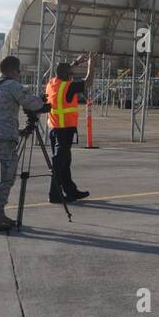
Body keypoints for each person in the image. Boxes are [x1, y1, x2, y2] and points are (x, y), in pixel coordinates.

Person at [0, 55, 46, 233]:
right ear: (14, 71)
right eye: (19, 71)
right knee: (3, 178)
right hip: (2, 138)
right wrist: (43, 104)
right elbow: (31, 102)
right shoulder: (12, 85)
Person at [44, 53, 94, 204]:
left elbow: (64, 70)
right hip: (64, 130)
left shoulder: (53, 82)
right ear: (67, 76)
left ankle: (70, 190)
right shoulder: (68, 87)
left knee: (64, 161)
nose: (73, 76)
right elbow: (88, 82)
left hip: (54, 128)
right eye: (71, 74)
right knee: (60, 163)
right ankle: (54, 195)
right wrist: (92, 64)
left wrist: (76, 63)